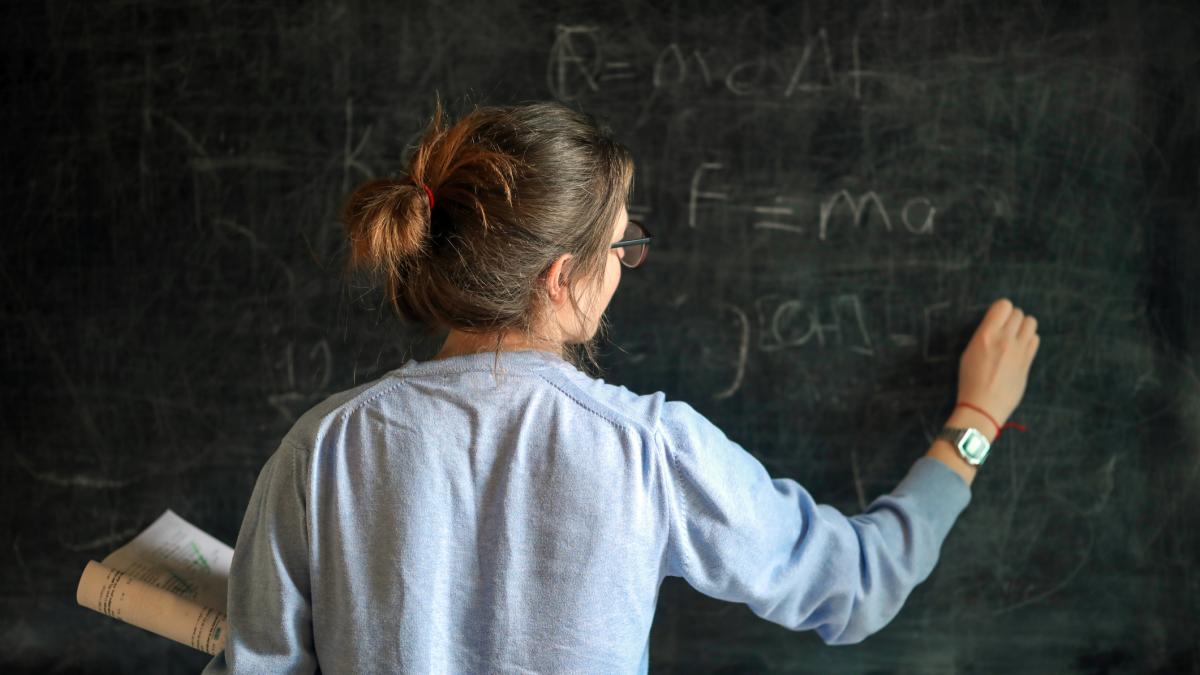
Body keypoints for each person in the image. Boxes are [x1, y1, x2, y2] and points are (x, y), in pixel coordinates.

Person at [203, 100, 1039, 674]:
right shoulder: (649, 451)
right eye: (622, 244)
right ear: (564, 278)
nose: (627, 264)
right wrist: (973, 423)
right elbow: (854, 586)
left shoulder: (325, 447)